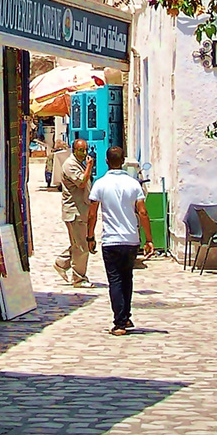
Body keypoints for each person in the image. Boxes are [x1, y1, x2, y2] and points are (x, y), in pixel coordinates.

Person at [87, 145, 154, 335]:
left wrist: (90, 236)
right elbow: (142, 212)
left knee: (115, 280)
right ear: (123, 161)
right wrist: (149, 239)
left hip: (111, 240)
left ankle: (119, 322)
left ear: (106, 161)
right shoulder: (133, 184)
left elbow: (92, 213)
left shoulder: (100, 184)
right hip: (131, 239)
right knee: (127, 279)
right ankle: (126, 315)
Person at [53, 140, 94, 287]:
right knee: (81, 246)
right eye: (80, 150)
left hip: (81, 209)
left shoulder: (79, 163)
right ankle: (79, 278)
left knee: (78, 243)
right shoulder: (70, 165)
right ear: (74, 150)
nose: (83, 153)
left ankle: (62, 263)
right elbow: (82, 182)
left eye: (85, 150)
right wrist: (89, 167)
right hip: (74, 211)